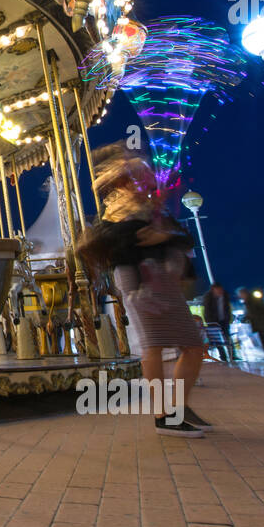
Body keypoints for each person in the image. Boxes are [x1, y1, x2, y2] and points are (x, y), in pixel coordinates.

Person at [76, 143, 209, 438]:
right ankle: (164, 415)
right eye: (140, 177)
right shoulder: (117, 210)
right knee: (154, 345)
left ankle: (177, 406)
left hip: (161, 277)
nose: (147, 180)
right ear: (125, 181)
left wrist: (163, 235)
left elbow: (180, 236)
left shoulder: (150, 208)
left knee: (192, 346)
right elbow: (114, 246)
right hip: (139, 278)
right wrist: (146, 237)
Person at [238, 288, 264, 361]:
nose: (240, 296)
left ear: (244, 293)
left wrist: (246, 317)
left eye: (241, 294)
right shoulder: (251, 300)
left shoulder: (251, 301)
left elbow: (254, 312)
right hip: (261, 323)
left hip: (261, 323)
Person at [201, 282, 234, 361]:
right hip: (213, 322)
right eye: (217, 290)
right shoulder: (208, 297)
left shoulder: (225, 295)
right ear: (213, 290)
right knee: (217, 339)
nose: (220, 291)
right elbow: (207, 311)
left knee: (227, 336)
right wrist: (210, 322)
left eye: (220, 289)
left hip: (224, 320)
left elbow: (227, 308)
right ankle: (223, 356)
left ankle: (232, 355)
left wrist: (228, 318)